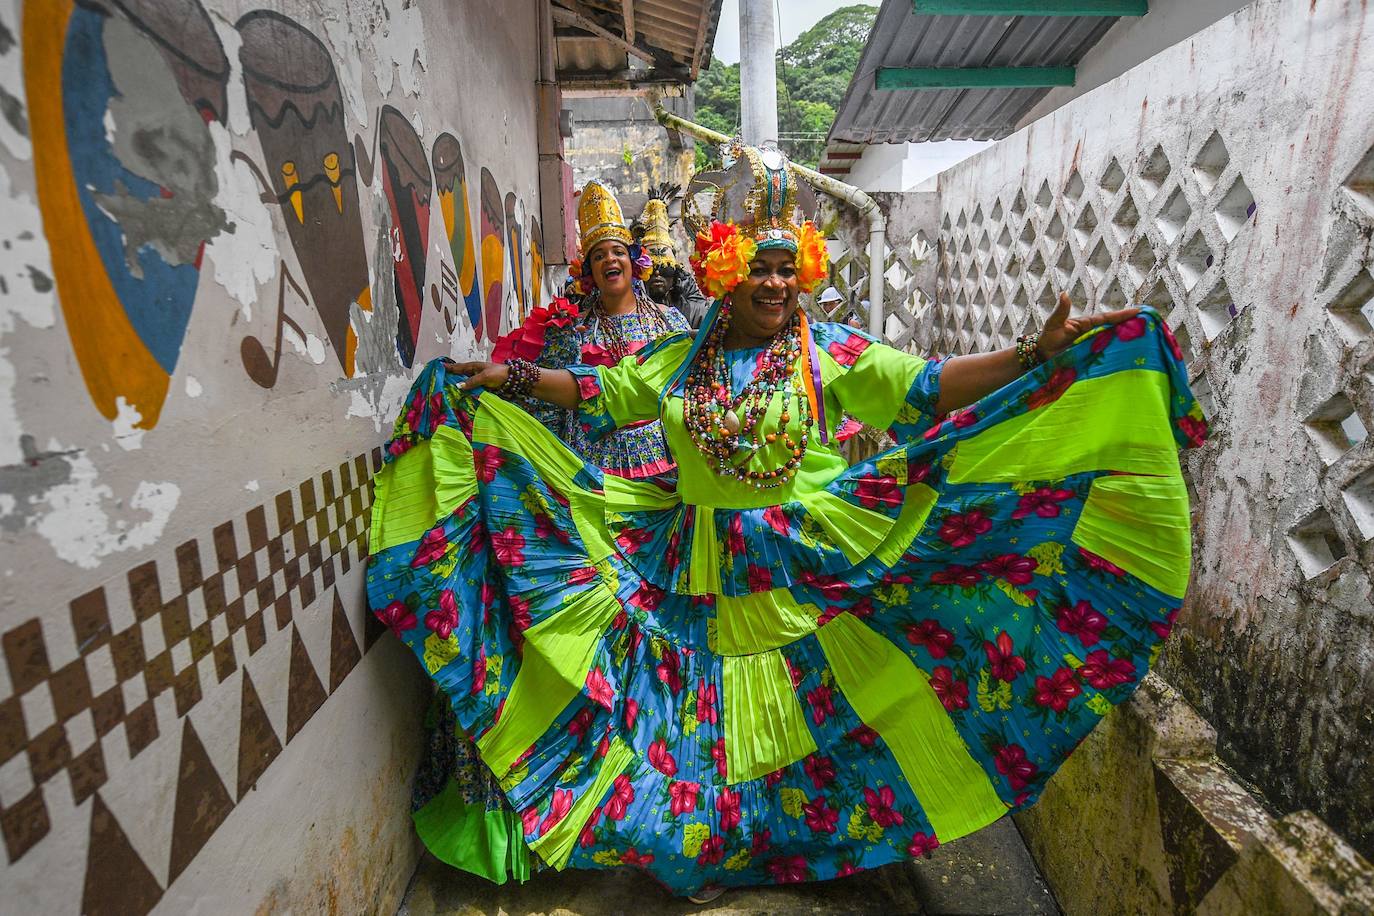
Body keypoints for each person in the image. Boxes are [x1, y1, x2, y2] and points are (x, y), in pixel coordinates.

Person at [368, 142, 1205, 901]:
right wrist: (509, 381)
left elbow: (927, 386)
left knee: (809, 705)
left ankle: (803, 846)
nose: (774, 284)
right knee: (704, 716)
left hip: (803, 559)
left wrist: (1036, 355)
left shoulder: (827, 351)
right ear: (726, 274)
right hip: (691, 564)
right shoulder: (674, 357)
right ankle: (712, 845)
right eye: (758, 270)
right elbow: (596, 392)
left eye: (786, 271)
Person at [405, 180, 691, 885]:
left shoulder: (676, 330)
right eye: (598, 258)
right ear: (587, 272)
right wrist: (500, 411)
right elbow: (547, 403)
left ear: (636, 259)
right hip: (584, 497)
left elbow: (684, 411)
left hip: (662, 508)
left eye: (619, 252)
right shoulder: (567, 334)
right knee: (582, 644)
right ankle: (583, 796)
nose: (610, 264)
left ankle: (664, 789)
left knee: (660, 646)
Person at [634, 183, 708, 328]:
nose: (657, 273)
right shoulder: (630, 304)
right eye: (651, 268)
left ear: (676, 276)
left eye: (665, 269)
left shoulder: (692, 307)